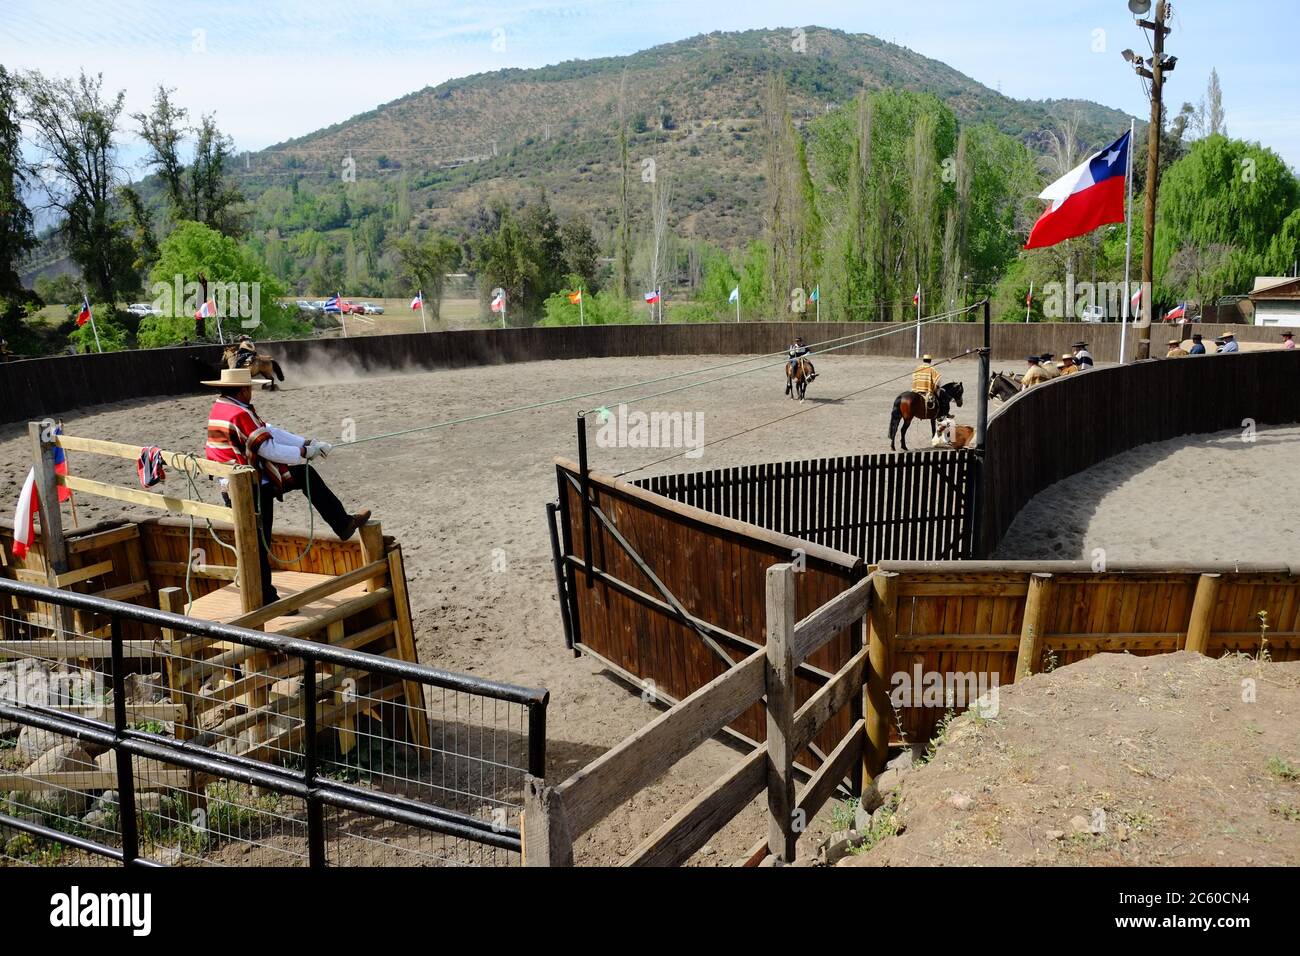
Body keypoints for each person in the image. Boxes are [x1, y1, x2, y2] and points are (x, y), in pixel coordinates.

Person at [203, 367, 370, 606]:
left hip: (242, 482)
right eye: (249, 387)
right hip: (248, 488)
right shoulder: (239, 413)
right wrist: (304, 451)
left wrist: (307, 443)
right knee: (259, 542)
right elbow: (266, 447)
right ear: (242, 390)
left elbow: (268, 431)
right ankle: (266, 599)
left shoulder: (224, 407)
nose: (251, 391)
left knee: (305, 475)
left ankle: (343, 523)